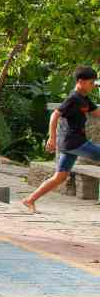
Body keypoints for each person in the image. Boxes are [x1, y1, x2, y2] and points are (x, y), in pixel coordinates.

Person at [23, 66, 100, 213]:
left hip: (69, 145)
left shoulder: (84, 99)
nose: (93, 85)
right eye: (91, 82)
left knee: (59, 177)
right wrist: (52, 137)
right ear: (81, 82)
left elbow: (97, 112)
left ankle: (30, 199)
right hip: (74, 142)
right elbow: (55, 115)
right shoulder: (73, 98)